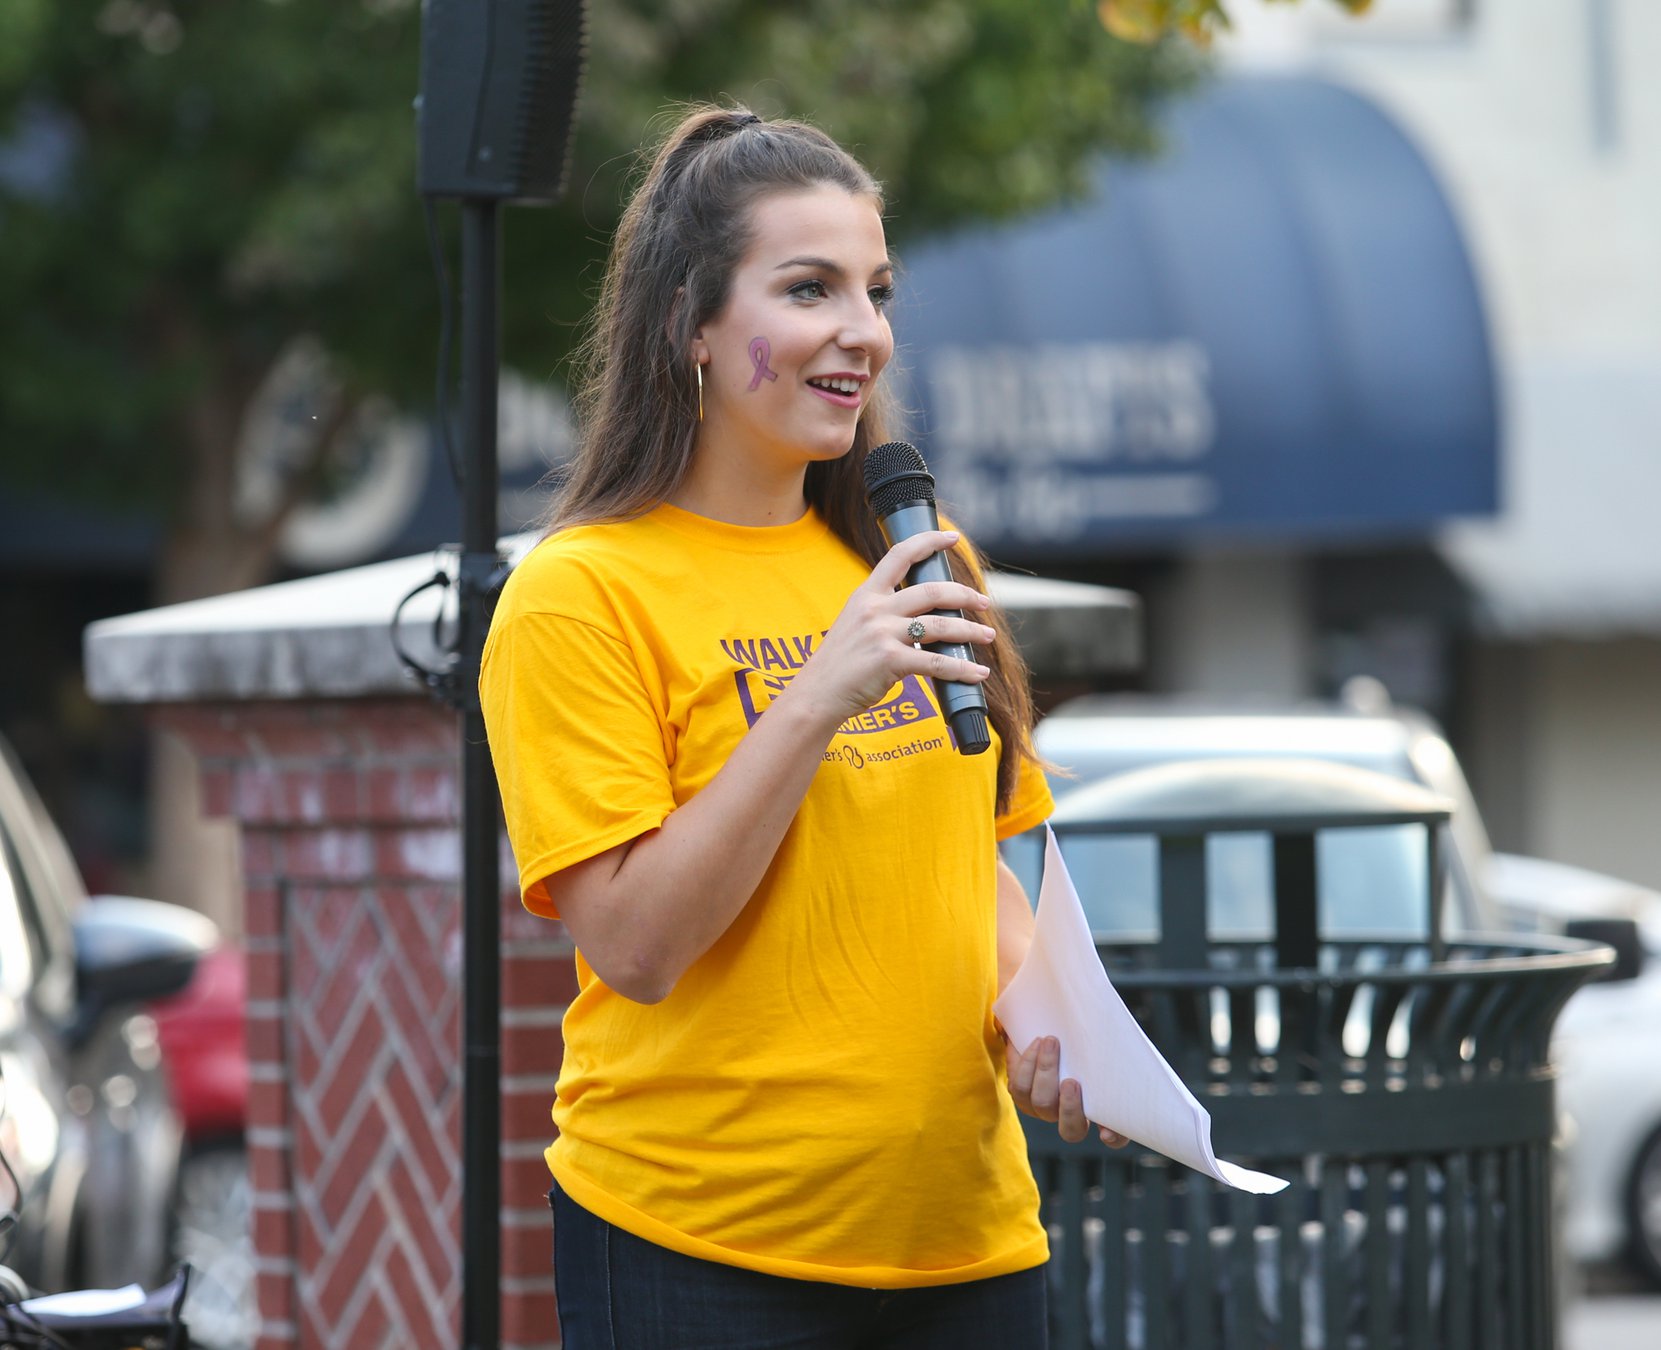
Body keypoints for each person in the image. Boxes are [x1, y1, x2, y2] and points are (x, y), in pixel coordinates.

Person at [479, 104, 1122, 1350]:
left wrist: (1035, 1008)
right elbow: (638, 947)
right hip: (700, 1250)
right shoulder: (583, 592)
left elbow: (970, 858)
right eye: (808, 288)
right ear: (692, 327)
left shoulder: (918, 560)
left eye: (874, 291)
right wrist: (817, 698)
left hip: (967, 1243)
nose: (861, 333)